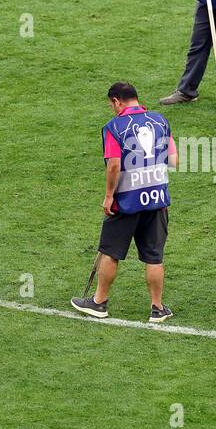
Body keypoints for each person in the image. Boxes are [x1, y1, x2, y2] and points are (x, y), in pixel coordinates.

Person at [71, 82, 177, 322]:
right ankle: (157, 308)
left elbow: (115, 165)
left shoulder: (114, 127)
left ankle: (99, 303)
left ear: (117, 101)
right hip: (157, 200)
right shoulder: (161, 121)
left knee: (110, 252)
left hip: (126, 201)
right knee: (154, 256)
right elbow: (173, 159)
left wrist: (109, 196)